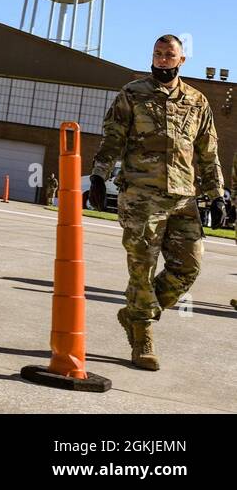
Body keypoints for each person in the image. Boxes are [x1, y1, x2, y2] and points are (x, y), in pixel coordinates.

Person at [89, 34, 223, 369]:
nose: (162, 59)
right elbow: (113, 138)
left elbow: (208, 152)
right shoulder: (132, 94)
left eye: (169, 55)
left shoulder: (197, 101)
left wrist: (217, 194)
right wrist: (98, 175)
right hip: (141, 197)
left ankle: (135, 315)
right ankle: (143, 338)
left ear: (182, 60)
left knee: (188, 267)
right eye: (158, 54)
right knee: (142, 269)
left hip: (183, 198)